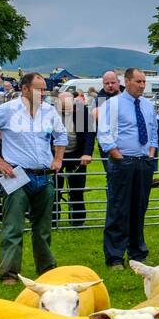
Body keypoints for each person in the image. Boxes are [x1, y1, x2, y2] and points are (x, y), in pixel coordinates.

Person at [0, 72, 67, 284]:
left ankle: (47, 270)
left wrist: (58, 159)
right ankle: (9, 274)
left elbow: (61, 135)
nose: (42, 93)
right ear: (24, 89)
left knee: (43, 228)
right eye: (38, 89)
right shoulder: (8, 110)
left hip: (44, 175)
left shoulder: (49, 111)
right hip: (17, 174)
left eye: (44, 89)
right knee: (13, 226)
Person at [95, 67, 157, 270]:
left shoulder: (148, 105)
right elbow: (104, 133)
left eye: (144, 82)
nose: (142, 85)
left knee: (139, 208)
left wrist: (150, 154)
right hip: (122, 161)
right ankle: (114, 257)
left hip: (143, 162)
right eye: (138, 81)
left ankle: (137, 253)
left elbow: (153, 132)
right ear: (127, 81)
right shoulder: (113, 104)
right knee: (119, 209)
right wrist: (118, 157)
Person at [56, 90, 94, 227]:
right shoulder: (50, 113)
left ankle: (77, 221)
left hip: (76, 154)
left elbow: (90, 134)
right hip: (55, 155)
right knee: (54, 189)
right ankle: (53, 221)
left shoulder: (82, 112)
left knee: (77, 189)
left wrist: (87, 153)